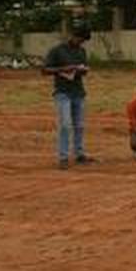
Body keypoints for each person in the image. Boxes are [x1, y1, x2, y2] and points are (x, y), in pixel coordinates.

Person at [42, 24, 93, 169]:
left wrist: (81, 70)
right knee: (65, 124)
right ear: (73, 36)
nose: (81, 42)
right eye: (80, 39)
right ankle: (63, 157)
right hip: (62, 91)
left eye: (83, 41)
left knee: (79, 125)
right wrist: (63, 69)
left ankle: (79, 153)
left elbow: (84, 69)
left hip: (78, 91)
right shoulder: (57, 51)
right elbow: (44, 70)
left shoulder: (81, 51)